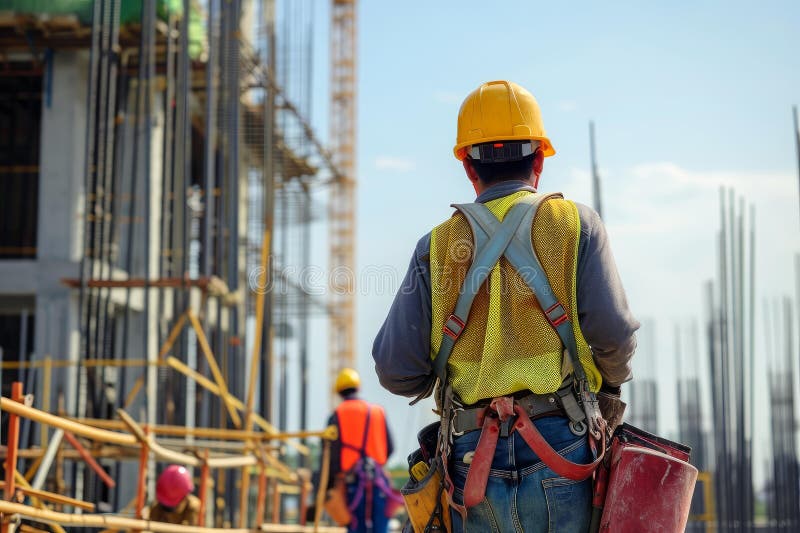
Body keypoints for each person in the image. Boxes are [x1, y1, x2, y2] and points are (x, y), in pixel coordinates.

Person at [372, 80, 639, 532]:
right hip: (565, 444)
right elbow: (614, 336)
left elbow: (396, 370)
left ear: (467, 167)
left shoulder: (435, 247)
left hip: (470, 457)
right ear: (539, 160)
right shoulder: (576, 224)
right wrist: (608, 385)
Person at [323, 368, 401, 533]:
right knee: (381, 527)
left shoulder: (337, 415)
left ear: (339, 392)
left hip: (351, 483)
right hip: (378, 481)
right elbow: (390, 447)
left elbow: (331, 456)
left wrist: (329, 486)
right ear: (358, 388)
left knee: (355, 526)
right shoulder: (377, 412)